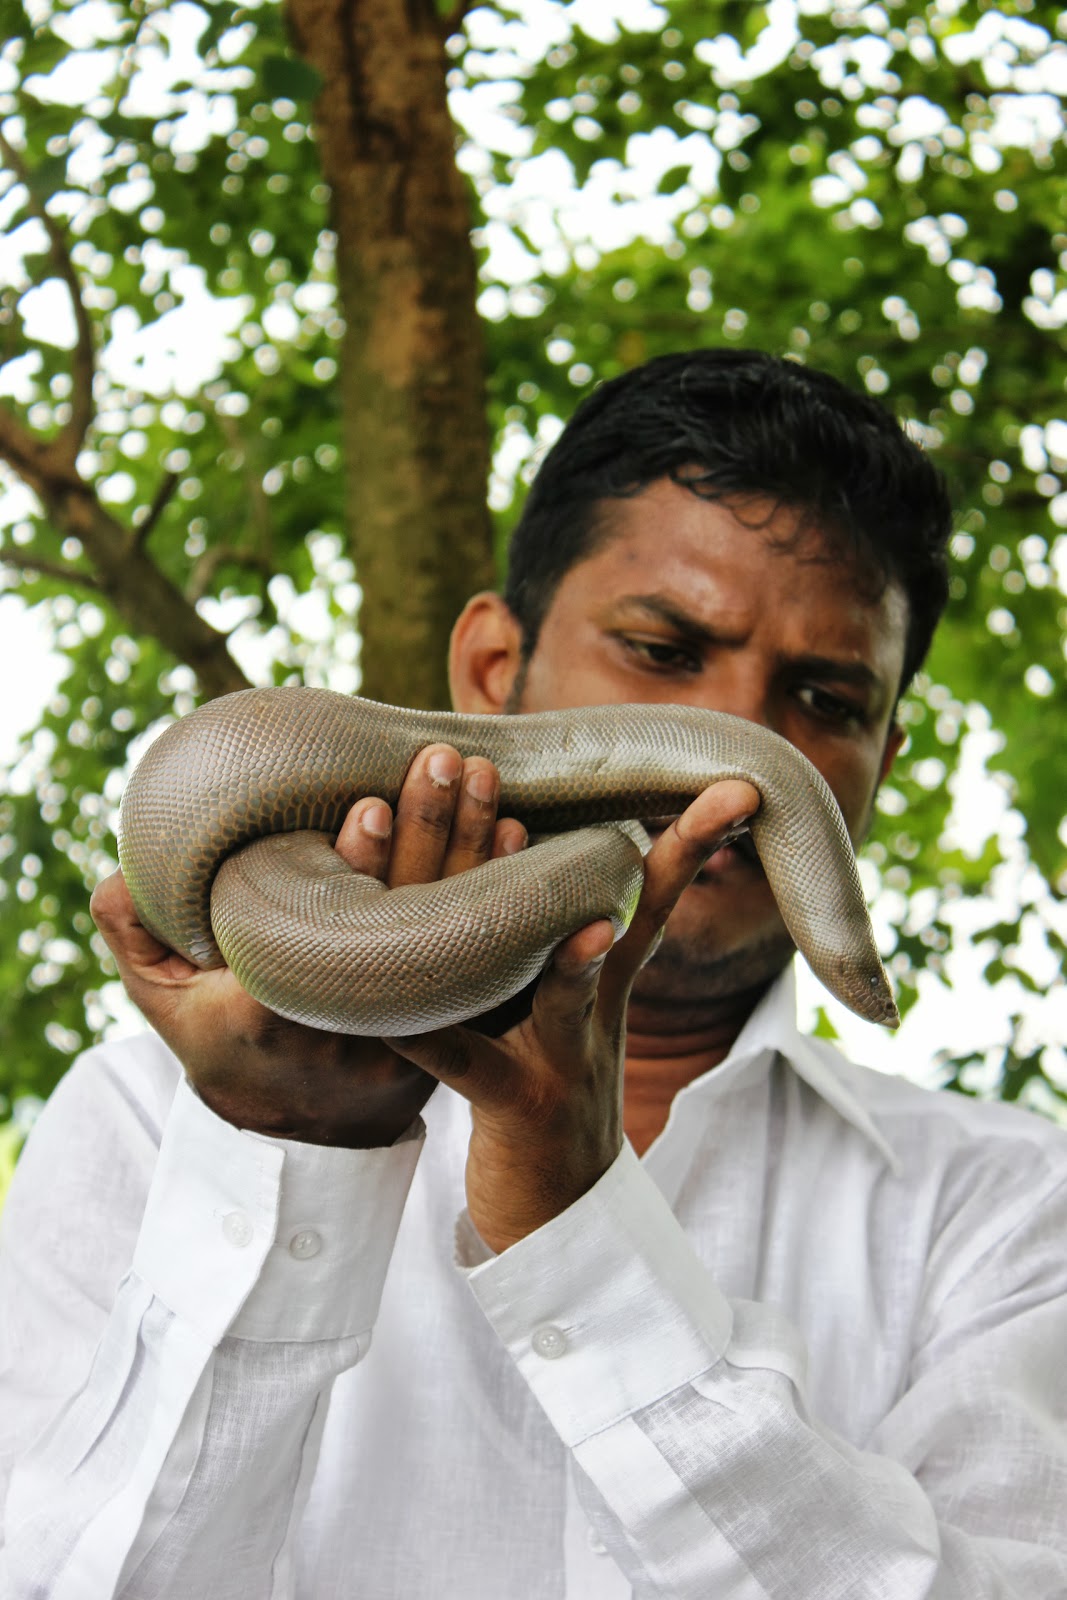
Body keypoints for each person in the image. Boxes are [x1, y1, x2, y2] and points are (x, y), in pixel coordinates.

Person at [1, 349, 1065, 1597]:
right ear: (493, 674)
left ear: (879, 754)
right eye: (664, 651)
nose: (726, 761)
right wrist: (291, 1145)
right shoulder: (153, 1122)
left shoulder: (1003, 1208)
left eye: (821, 696)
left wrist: (582, 1232)